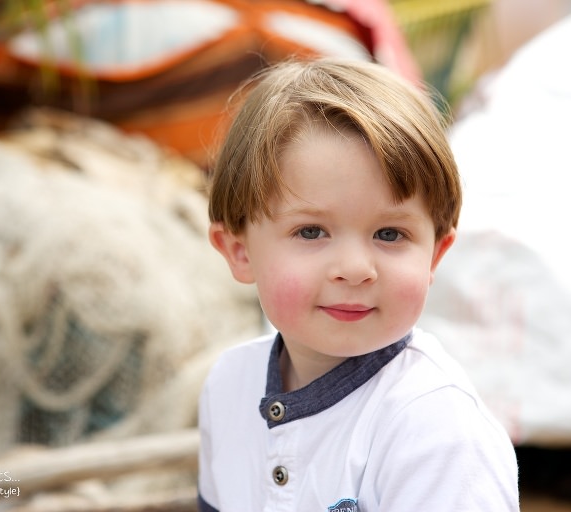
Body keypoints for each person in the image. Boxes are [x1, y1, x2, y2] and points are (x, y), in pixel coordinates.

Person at [198, 57, 519, 511]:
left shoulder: (437, 431)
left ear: (434, 255)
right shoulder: (228, 386)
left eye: (390, 234)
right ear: (240, 251)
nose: (354, 269)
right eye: (311, 232)